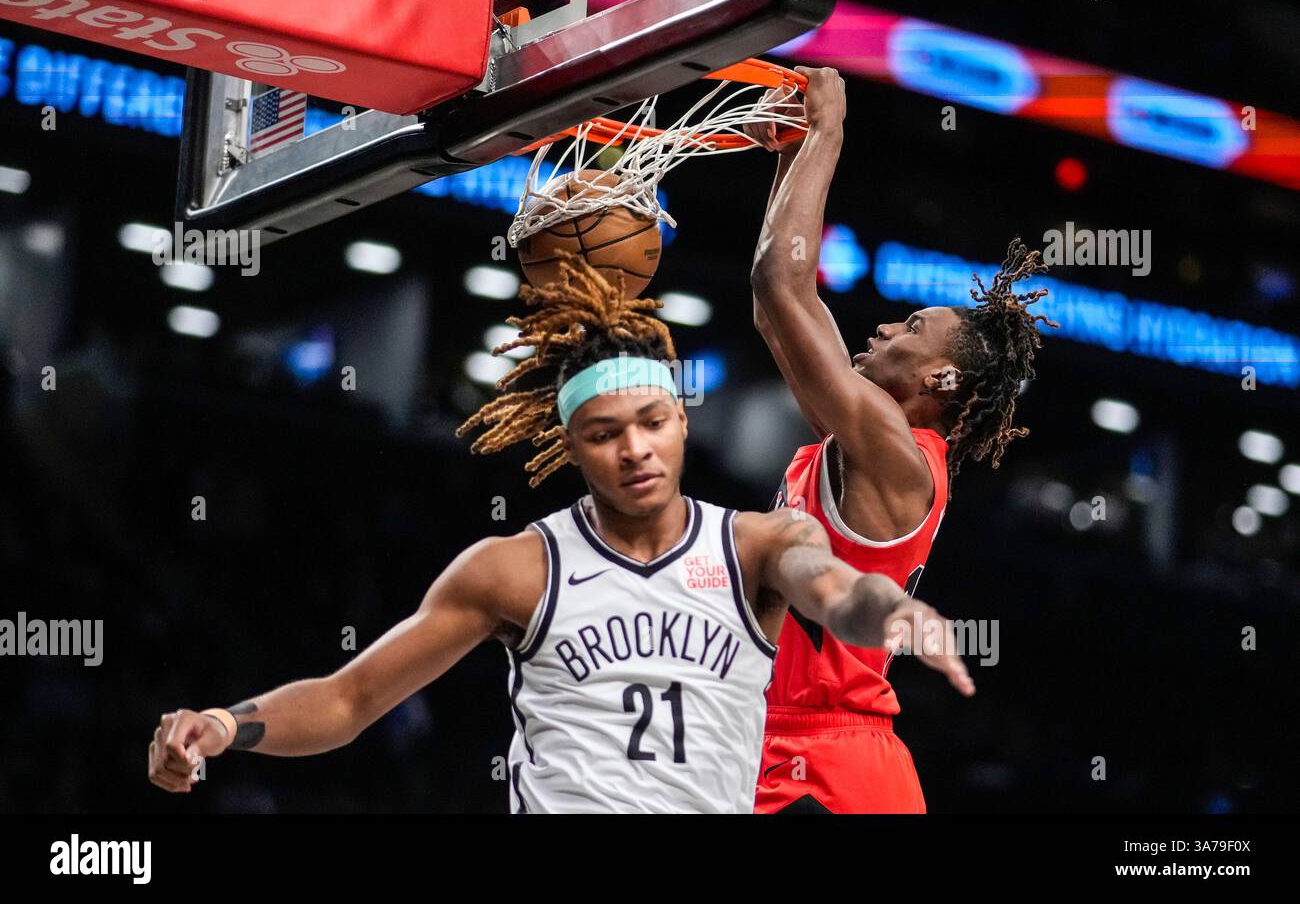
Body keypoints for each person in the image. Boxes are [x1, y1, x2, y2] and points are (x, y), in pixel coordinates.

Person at [147, 252, 972, 813]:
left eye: (652, 421)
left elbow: (836, 591)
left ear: (682, 421)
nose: (635, 449)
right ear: (571, 447)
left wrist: (891, 611)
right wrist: (224, 725)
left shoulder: (759, 544)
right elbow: (350, 698)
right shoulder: (515, 570)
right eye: (605, 433)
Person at [747, 67, 1056, 813]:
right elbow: (779, 308)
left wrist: (828, 130)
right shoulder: (862, 443)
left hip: (830, 760)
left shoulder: (895, 451)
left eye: (911, 328)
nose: (884, 327)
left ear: (943, 381)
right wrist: (790, 155)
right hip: (789, 739)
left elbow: (780, 286)